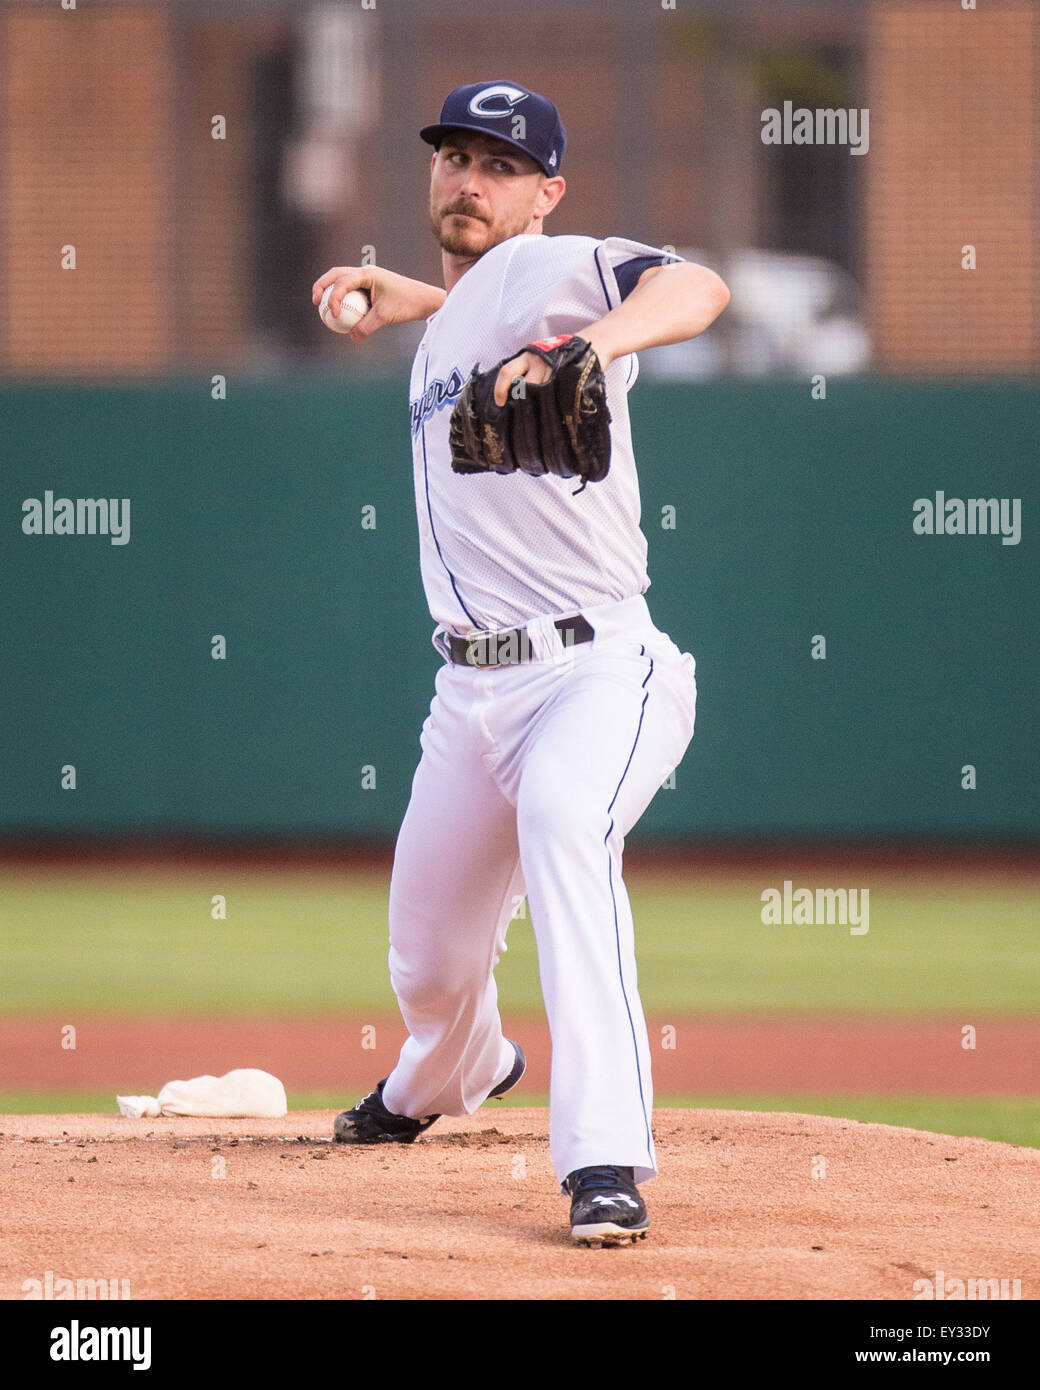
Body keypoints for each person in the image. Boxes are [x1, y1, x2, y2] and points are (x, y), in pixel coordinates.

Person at [312, 80, 730, 1246]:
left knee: (563, 824)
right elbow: (473, 307)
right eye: (452, 156)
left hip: (598, 669)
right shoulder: (459, 309)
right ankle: (452, 1072)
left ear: (545, 192)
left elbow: (695, 287)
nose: (467, 178)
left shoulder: (563, 267)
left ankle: (602, 1158)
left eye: (498, 166)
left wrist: (592, 343)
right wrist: (408, 301)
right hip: (470, 694)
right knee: (429, 959)